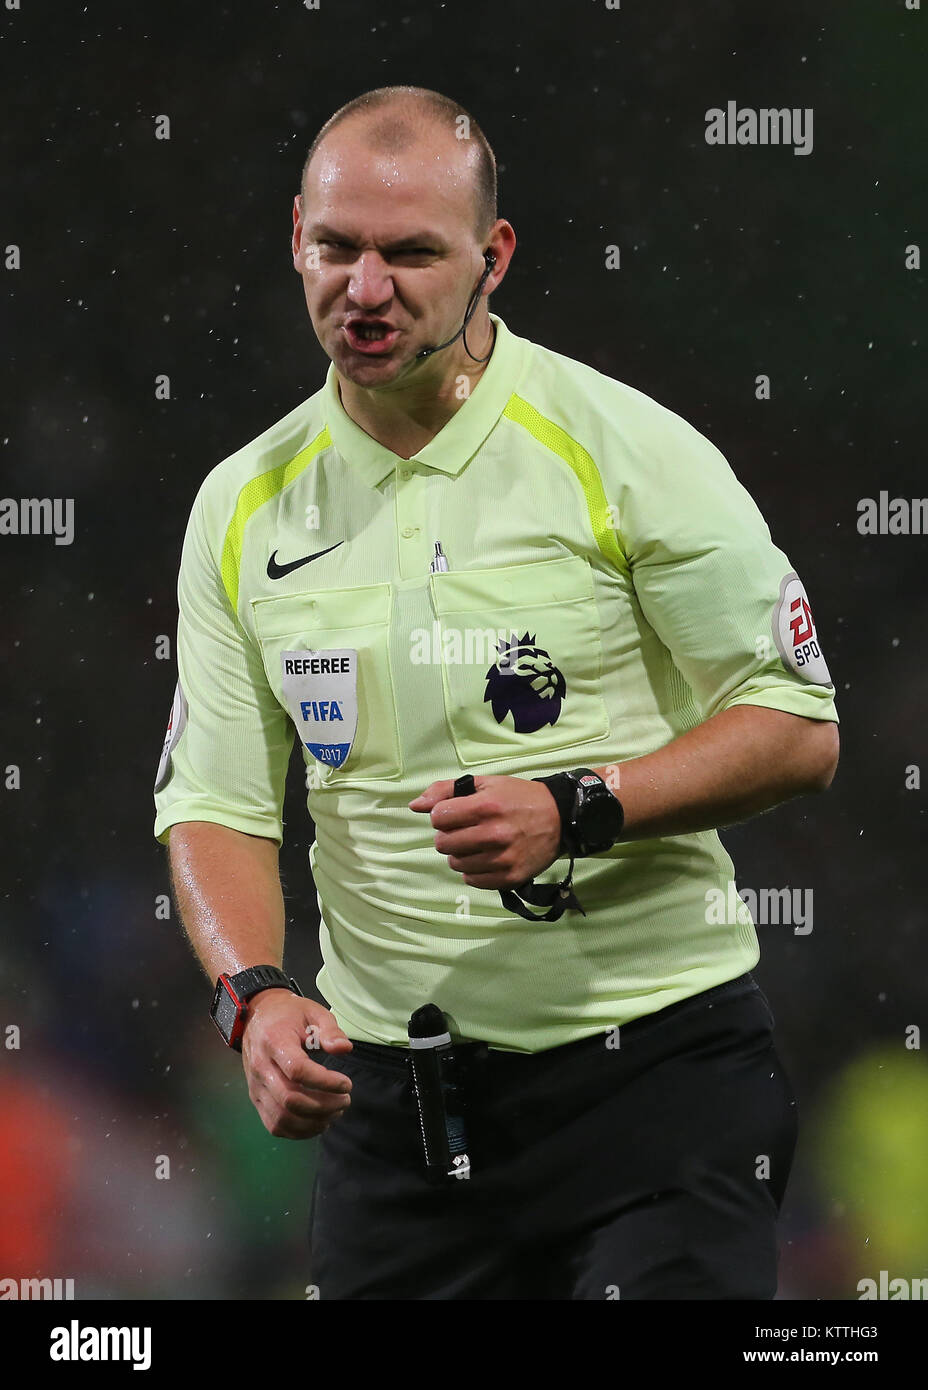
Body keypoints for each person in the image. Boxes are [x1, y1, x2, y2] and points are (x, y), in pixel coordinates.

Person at [153, 85, 840, 1300]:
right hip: (400, 1119)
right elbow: (215, 801)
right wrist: (254, 996)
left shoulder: (628, 451)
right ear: (294, 239)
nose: (367, 288)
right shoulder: (241, 505)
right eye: (337, 247)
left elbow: (797, 727)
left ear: (493, 258)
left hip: (657, 1091)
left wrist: (581, 805)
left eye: (412, 252)